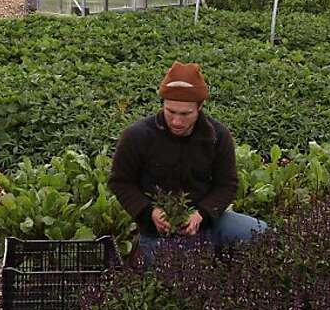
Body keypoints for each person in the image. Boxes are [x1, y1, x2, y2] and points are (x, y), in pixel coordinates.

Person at [108, 61, 268, 260]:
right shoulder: (137, 136)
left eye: (185, 114)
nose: (176, 121)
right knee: (171, 277)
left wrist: (201, 215)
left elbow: (227, 184)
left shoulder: (217, 136)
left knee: (263, 234)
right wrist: (150, 212)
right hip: (157, 231)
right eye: (171, 111)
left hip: (207, 222)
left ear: (200, 106)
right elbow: (120, 182)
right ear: (163, 104)